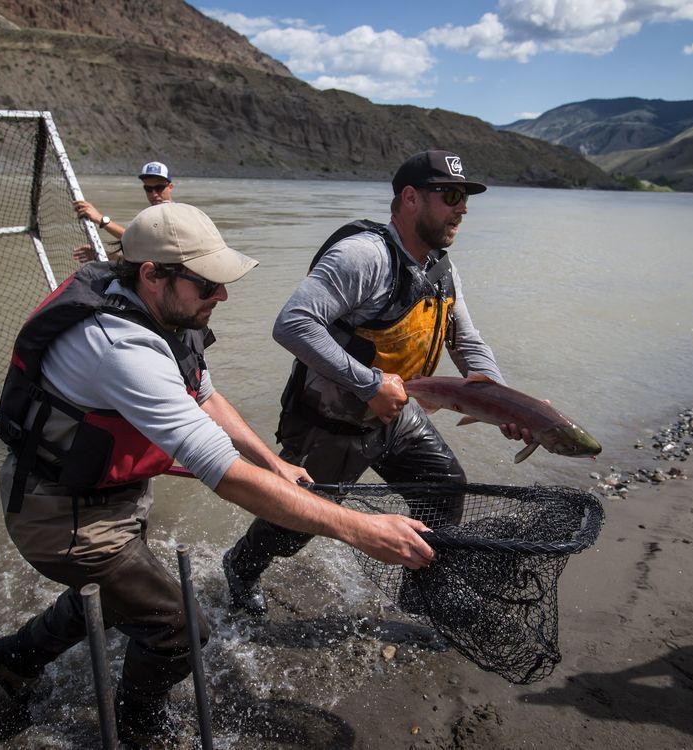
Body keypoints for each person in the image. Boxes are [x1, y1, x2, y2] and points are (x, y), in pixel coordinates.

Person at [0, 202, 434, 744]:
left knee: (116, 599)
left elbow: (205, 396)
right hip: (62, 515)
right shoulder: (120, 346)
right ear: (152, 273)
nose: (223, 295)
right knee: (181, 630)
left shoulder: (165, 312)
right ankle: (139, 724)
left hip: (105, 492)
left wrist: (275, 462)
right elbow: (223, 474)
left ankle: (8, 661)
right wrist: (361, 530)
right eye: (208, 284)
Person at [222, 150, 533, 617]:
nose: (462, 208)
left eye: (465, 198)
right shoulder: (364, 256)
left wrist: (505, 401)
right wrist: (369, 384)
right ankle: (241, 566)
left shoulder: (440, 268)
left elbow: (466, 341)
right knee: (295, 525)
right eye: (450, 195)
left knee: (444, 489)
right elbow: (292, 324)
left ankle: (420, 593)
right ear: (410, 198)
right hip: (333, 425)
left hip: (397, 416)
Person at [72, 161, 174, 262]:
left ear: (170, 187)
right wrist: (100, 253)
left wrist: (100, 219)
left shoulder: (174, 215)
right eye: (148, 189)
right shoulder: (148, 216)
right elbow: (140, 260)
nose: (154, 194)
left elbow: (135, 239)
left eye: (159, 188)